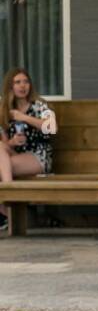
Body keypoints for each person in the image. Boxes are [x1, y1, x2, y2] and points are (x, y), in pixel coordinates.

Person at [0, 67, 57, 232]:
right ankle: (9, 209)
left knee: (2, 166)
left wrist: (23, 117)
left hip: (39, 156)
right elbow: (5, 144)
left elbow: (52, 128)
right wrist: (12, 142)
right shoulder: (5, 110)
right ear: (10, 86)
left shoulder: (40, 105)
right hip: (16, 156)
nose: (22, 86)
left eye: (25, 82)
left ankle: (9, 201)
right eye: (17, 82)